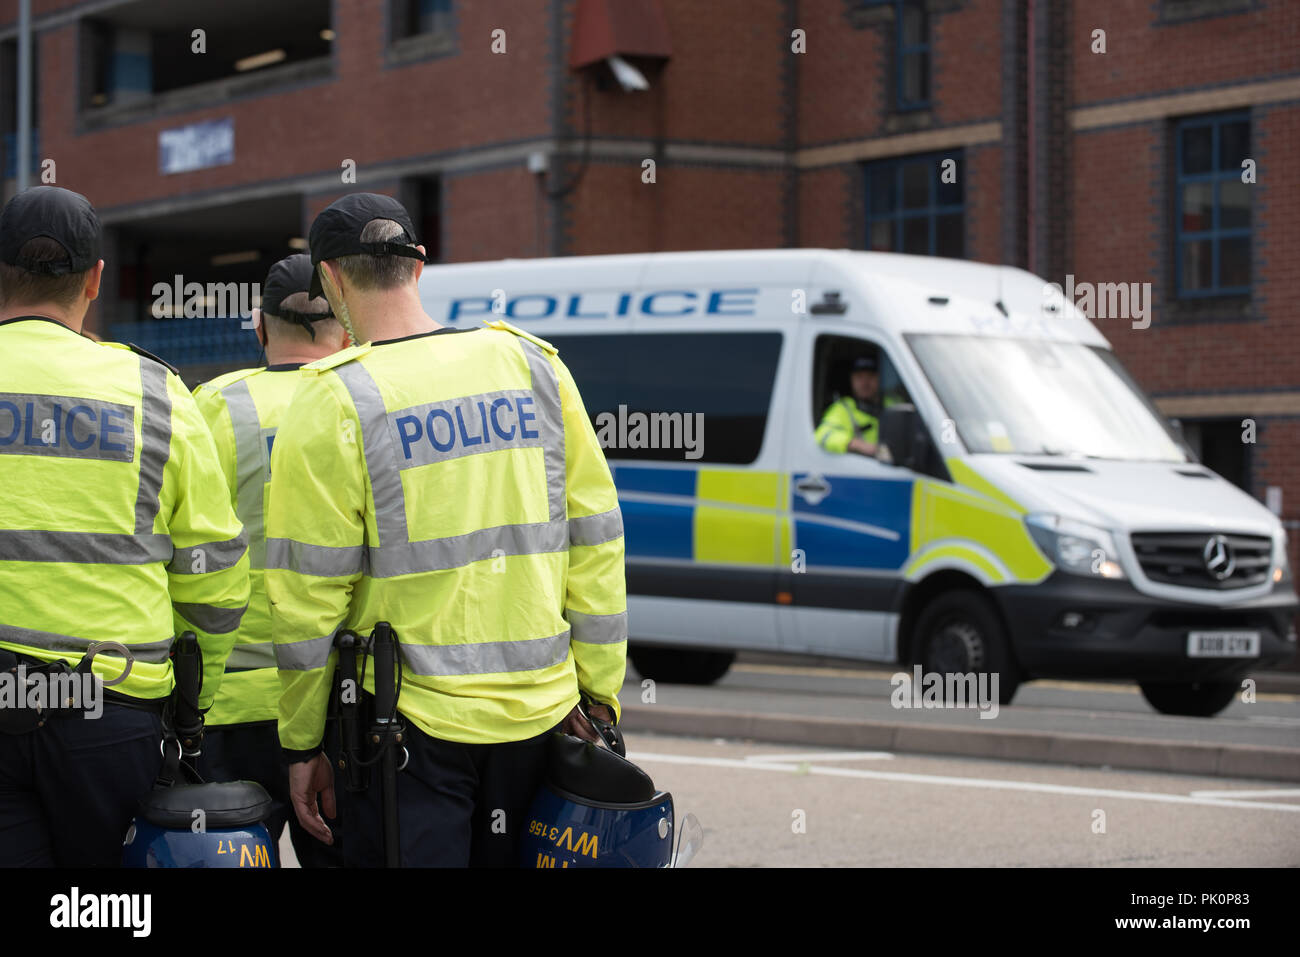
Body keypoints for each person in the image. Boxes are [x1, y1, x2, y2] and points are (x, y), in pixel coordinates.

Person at [266, 192, 627, 867]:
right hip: (544, 717)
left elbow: (308, 595)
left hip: (407, 733)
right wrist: (599, 698)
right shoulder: (534, 365)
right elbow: (598, 541)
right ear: (419, 266)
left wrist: (303, 742)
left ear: (332, 280)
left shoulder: (335, 394)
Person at [0, 186, 249, 866]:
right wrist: (195, 699)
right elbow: (217, 575)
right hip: (109, 711)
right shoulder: (154, 391)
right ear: (94, 277)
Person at [191, 254, 347, 867]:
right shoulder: (362, 402)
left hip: (227, 705)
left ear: (259, 327)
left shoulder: (214, 407)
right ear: (344, 327)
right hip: (337, 702)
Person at [815, 355, 882, 456]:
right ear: (851, 380)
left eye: (871, 376)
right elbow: (823, 435)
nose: (865, 383)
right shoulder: (843, 408)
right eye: (859, 377)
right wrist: (857, 445)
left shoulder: (893, 403)